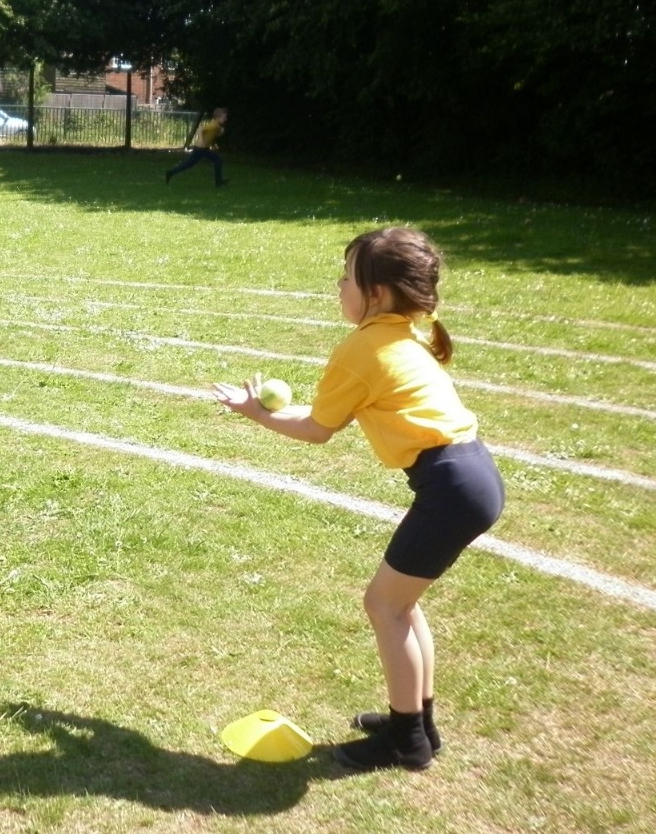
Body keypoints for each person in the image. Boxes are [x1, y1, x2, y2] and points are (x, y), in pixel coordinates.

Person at [212, 227, 504, 773]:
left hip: (451, 488)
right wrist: (260, 411)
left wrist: (254, 412)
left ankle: (406, 742)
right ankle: (418, 725)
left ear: (376, 293)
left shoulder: (362, 348)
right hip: (470, 477)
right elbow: (327, 421)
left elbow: (319, 430)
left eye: (346, 278)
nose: (338, 286)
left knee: (384, 606)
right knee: (401, 605)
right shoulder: (402, 333)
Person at [165, 107, 227, 186]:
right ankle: (170, 172)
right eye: (224, 117)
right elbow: (200, 129)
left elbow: (213, 135)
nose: (226, 119)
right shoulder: (213, 125)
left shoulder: (216, 125)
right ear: (218, 117)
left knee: (217, 161)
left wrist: (220, 132)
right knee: (188, 164)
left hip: (204, 149)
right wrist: (201, 140)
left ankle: (219, 182)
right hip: (200, 149)